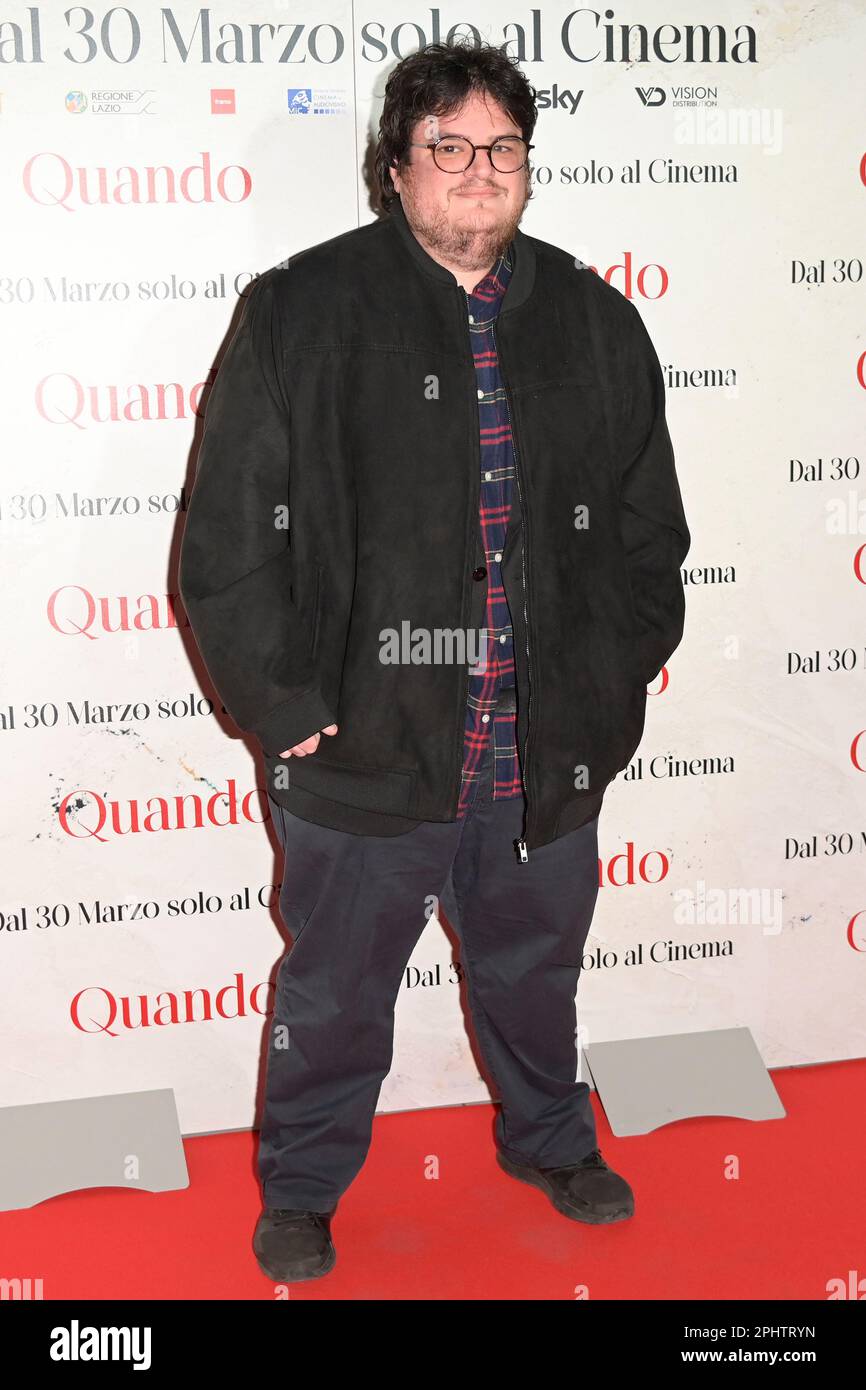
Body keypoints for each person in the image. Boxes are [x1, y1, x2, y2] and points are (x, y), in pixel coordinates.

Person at [179, 39, 691, 1284]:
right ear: (394, 169)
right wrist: (287, 706)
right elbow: (229, 536)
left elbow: (646, 532)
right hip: (362, 745)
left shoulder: (593, 316)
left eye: (500, 148)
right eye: (446, 148)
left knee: (533, 969)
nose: (477, 171)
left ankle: (549, 1139)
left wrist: (607, 683)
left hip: (539, 739)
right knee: (334, 997)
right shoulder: (300, 310)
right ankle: (302, 1187)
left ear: (526, 166)